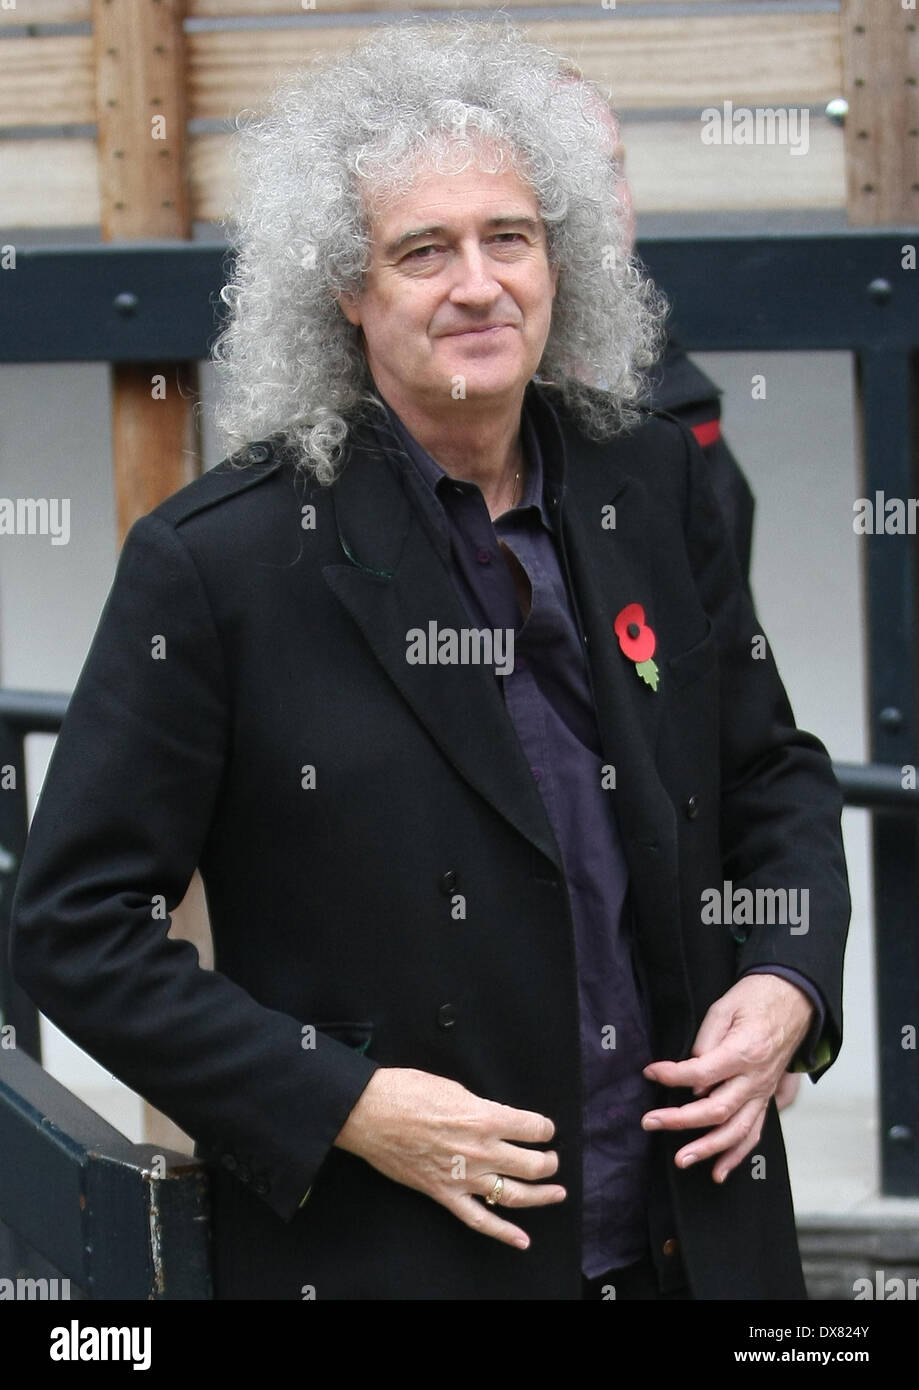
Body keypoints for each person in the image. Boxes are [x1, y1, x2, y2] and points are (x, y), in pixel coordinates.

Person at [10, 19, 849, 1301]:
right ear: (347, 289)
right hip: (403, 1258)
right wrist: (344, 1100)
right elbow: (75, 931)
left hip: (701, 1236)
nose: (478, 283)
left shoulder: (654, 485)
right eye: (422, 250)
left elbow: (773, 774)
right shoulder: (218, 562)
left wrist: (789, 978)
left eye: (508, 238)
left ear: (557, 261)